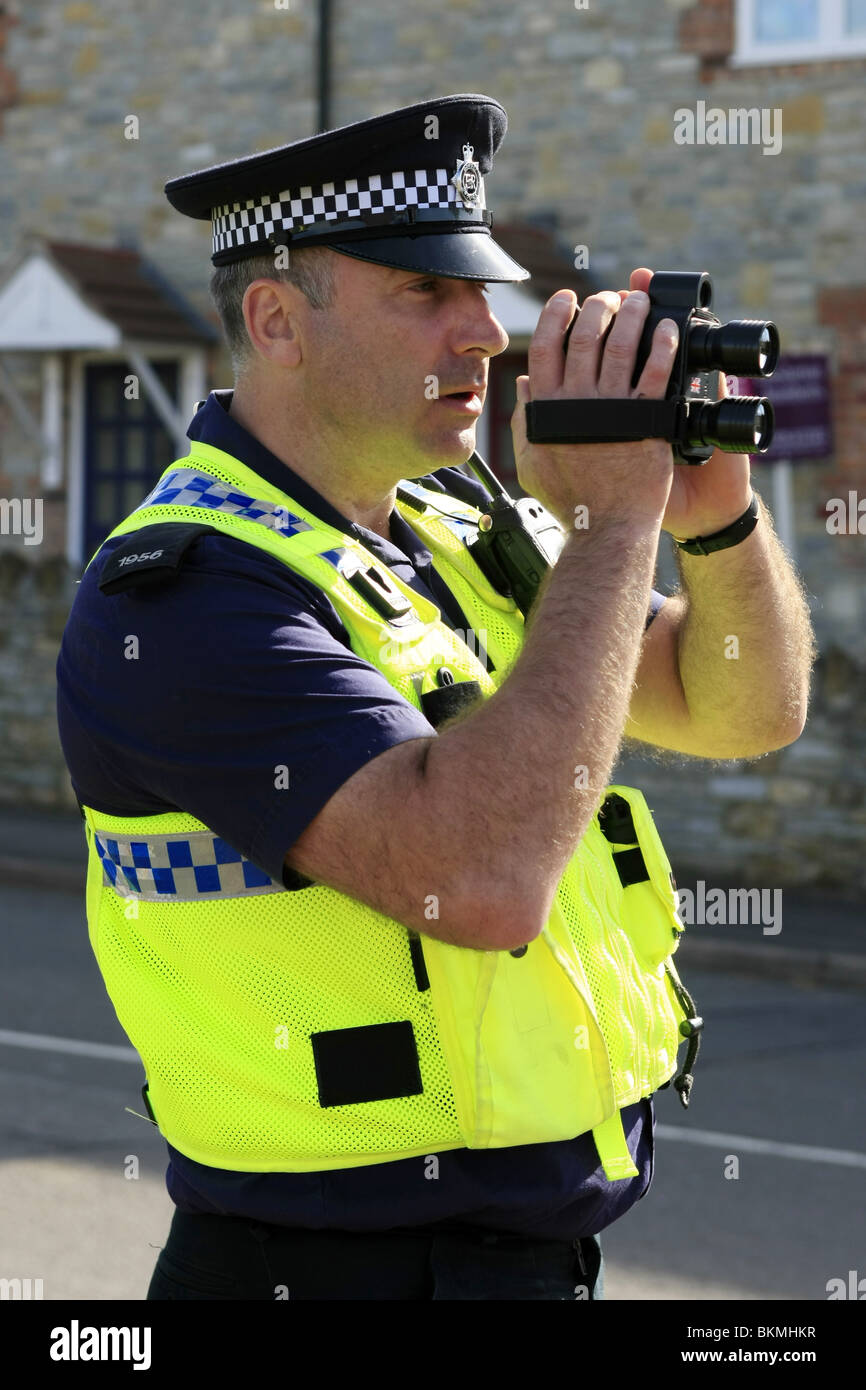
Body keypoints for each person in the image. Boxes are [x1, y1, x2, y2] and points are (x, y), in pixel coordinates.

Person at [56, 93, 814, 1301]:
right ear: (274, 320)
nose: (486, 335)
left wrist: (707, 514)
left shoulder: (455, 524)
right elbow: (478, 879)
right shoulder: (185, 593)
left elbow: (743, 709)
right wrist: (612, 527)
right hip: (323, 1275)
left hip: (529, 1265)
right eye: (426, 292)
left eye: (483, 292)